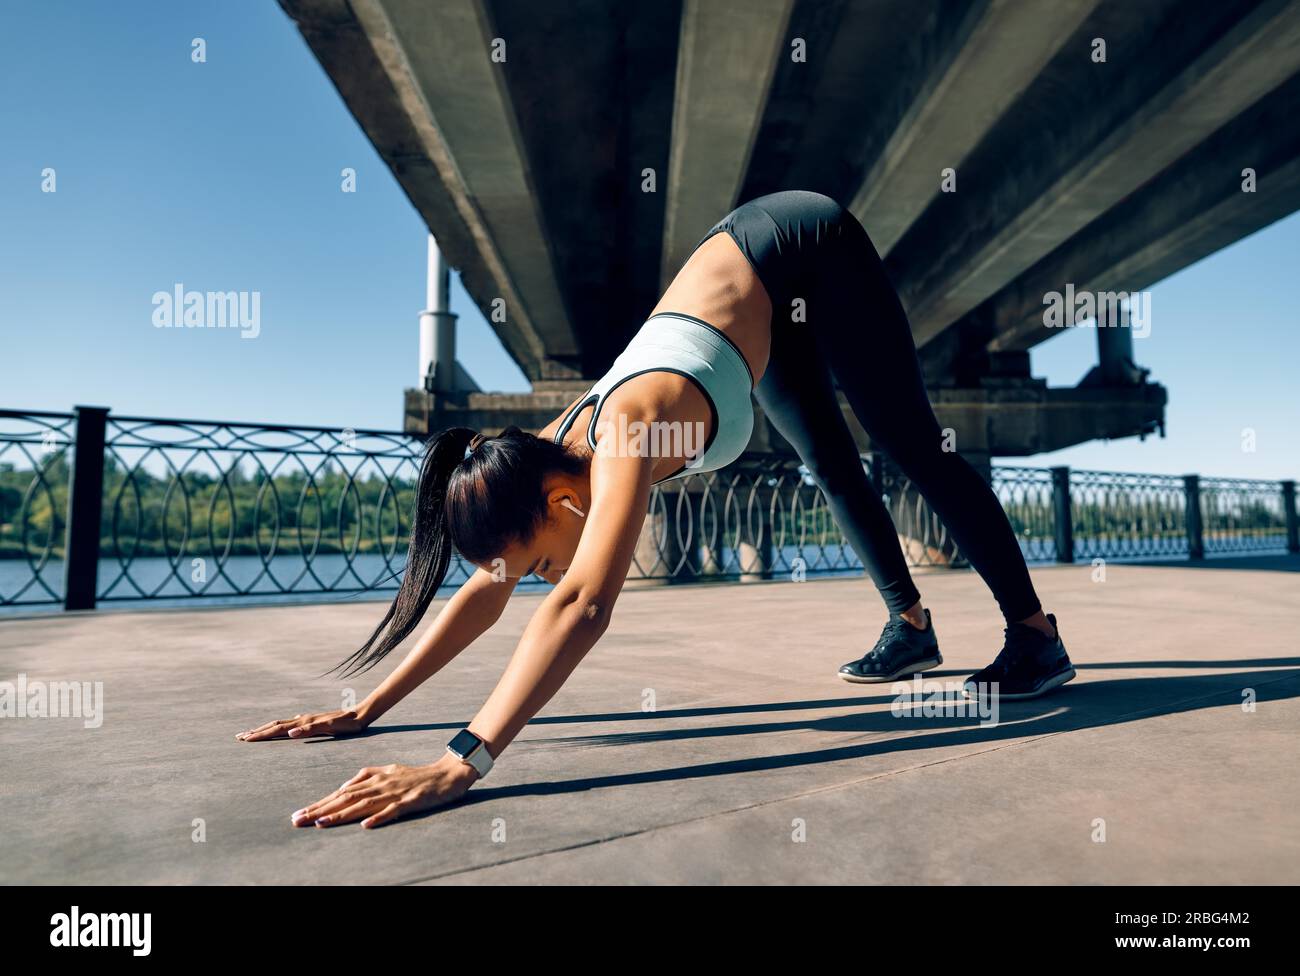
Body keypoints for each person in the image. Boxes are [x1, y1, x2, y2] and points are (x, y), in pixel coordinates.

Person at [237, 190, 1075, 829]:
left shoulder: (631, 430)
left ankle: (1035, 638)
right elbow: (487, 589)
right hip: (754, 300)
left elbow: (585, 603)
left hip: (800, 243)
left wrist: (462, 762)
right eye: (532, 571)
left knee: (911, 447)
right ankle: (912, 629)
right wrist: (367, 711)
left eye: (538, 561)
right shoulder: (545, 455)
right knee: (828, 461)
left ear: (564, 502)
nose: (540, 578)